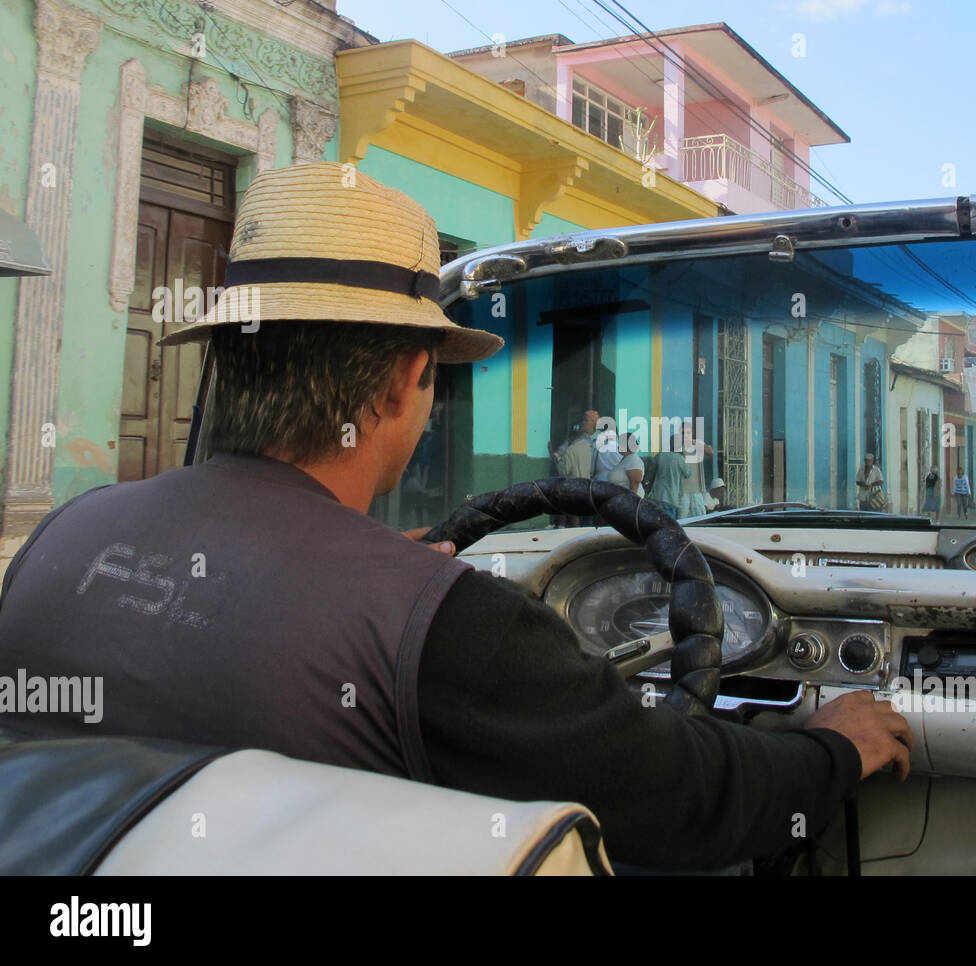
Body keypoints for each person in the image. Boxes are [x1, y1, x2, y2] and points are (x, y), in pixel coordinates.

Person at [0, 163, 912, 872]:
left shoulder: (60, 540)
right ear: (407, 381)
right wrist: (832, 750)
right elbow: (686, 798)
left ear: (224, 367)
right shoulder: (444, 625)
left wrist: (383, 580)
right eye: (435, 380)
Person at [647, 434, 692, 518]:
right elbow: (688, 474)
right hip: (671, 498)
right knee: (668, 526)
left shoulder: (660, 455)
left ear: (670, 444)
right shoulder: (680, 459)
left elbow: (651, 470)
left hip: (656, 496)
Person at [606, 433, 646, 497]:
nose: (618, 446)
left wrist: (631, 501)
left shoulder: (633, 459)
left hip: (630, 501)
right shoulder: (627, 459)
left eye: (620, 443)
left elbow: (635, 483)